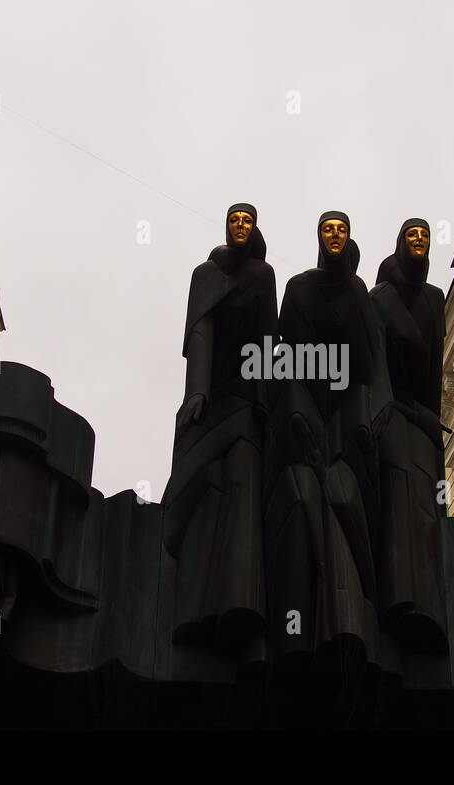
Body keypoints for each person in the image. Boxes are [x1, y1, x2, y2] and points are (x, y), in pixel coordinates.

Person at [264, 211, 391, 676]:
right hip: (308, 410)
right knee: (305, 494)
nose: (334, 236)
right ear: (318, 238)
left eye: (341, 229)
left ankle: (355, 614)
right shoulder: (297, 289)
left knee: (344, 491)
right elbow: (284, 357)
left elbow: (373, 364)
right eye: (327, 229)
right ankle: (308, 627)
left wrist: (368, 416)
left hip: (348, 416)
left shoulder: (359, 294)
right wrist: (296, 410)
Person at [162, 203, 276, 653]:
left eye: (247, 220)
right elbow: (200, 334)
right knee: (204, 490)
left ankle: (239, 603)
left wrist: (265, 397)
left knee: (242, 489)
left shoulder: (264, 276)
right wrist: (197, 392)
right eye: (234, 220)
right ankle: (194, 608)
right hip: (210, 402)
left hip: (247, 401)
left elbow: (269, 336)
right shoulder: (205, 275)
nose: (241, 226)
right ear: (227, 228)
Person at [370, 218, 448, 653]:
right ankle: (402, 598)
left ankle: (433, 603)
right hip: (393, 412)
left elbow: (434, 363)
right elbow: (374, 361)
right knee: (404, 496)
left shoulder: (436, 299)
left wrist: (433, 418)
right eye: (411, 236)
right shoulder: (379, 298)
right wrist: (382, 408)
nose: (419, 242)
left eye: (425, 236)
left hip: (423, 418)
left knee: (431, 501)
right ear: (399, 244)